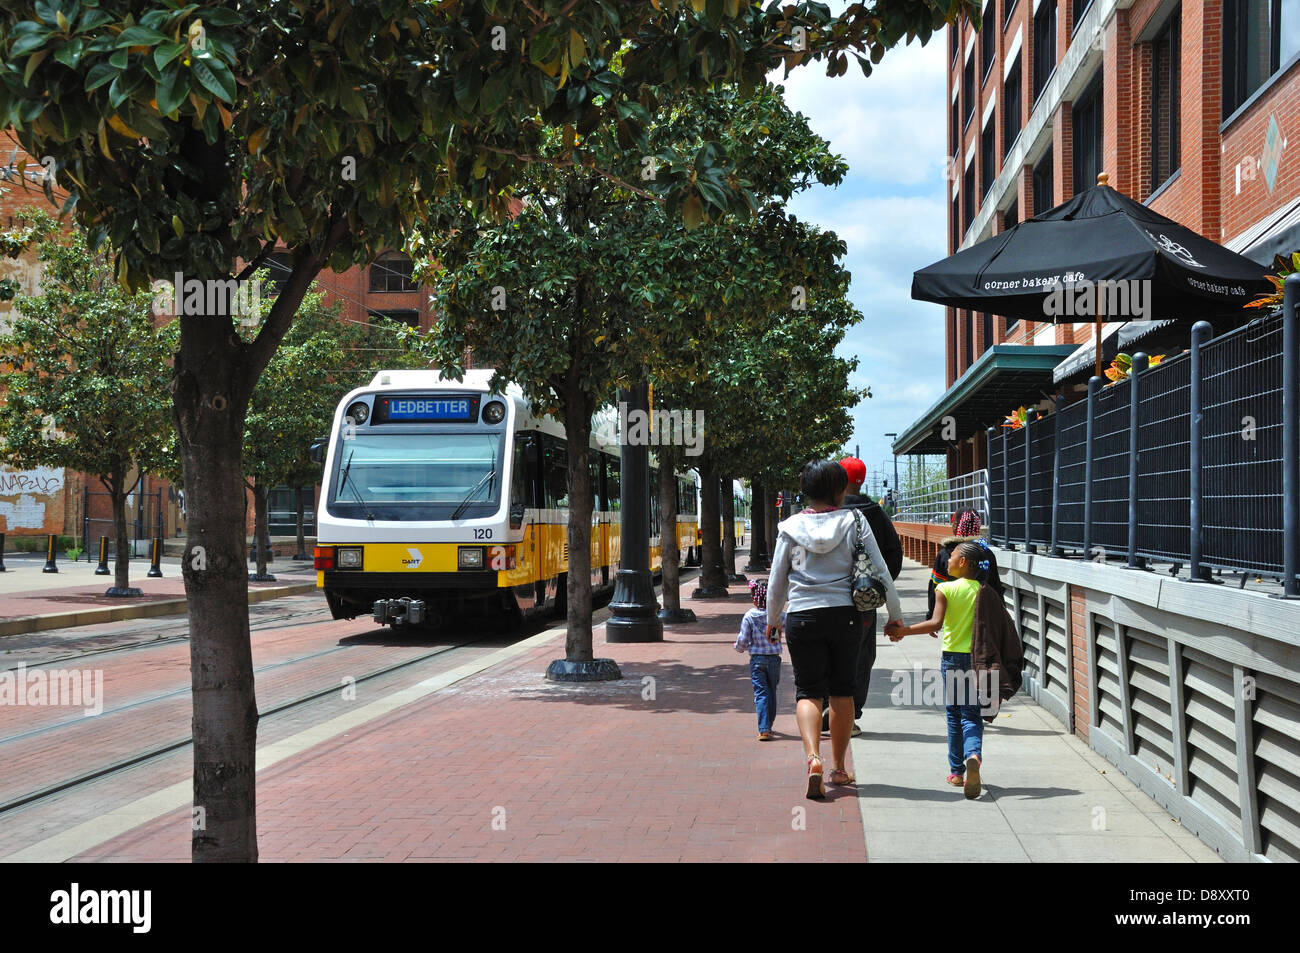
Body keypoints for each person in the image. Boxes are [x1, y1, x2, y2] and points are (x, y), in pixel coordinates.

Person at [767, 460, 903, 800]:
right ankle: (839, 768)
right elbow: (881, 570)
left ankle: (813, 758)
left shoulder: (790, 526)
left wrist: (771, 621)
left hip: (802, 616)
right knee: (842, 692)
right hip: (846, 616)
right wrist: (895, 615)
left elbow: (776, 581)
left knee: (808, 691)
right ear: (842, 491)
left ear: (807, 491)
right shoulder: (854, 520)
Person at [886, 540, 1003, 800]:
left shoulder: (946, 589)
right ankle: (973, 755)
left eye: (952, 557)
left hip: (952, 658)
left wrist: (903, 631)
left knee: (953, 714)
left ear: (962, 563)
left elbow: (935, 622)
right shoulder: (985, 591)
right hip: (978, 660)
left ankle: (956, 772)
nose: (947, 561)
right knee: (972, 714)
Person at [833, 456, 903, 737]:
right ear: (861, 481)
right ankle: (851, 715)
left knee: (830, 652)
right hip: (864, 598)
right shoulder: (875, 512)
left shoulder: (828, 511)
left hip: (830, 597)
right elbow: (894, 556)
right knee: (862, 656)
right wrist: (878, 589)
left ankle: (829, 706)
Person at [734, 579, 783, 741]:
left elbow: (743, 639)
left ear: (755, 599)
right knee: (772, 692)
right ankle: (769, 723)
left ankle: (764, 729)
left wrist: (739, 647)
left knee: (761, 693)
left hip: (757, 661)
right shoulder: (777, 615)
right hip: (774, 660)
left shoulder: (749, 616)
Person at [928, 508, 986, 617]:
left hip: (954, 616)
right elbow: (995, 585)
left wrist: (931, 615)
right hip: (983, 617)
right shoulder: (987, 553)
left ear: (955, 526)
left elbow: (935, 586)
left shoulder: (946, 554)